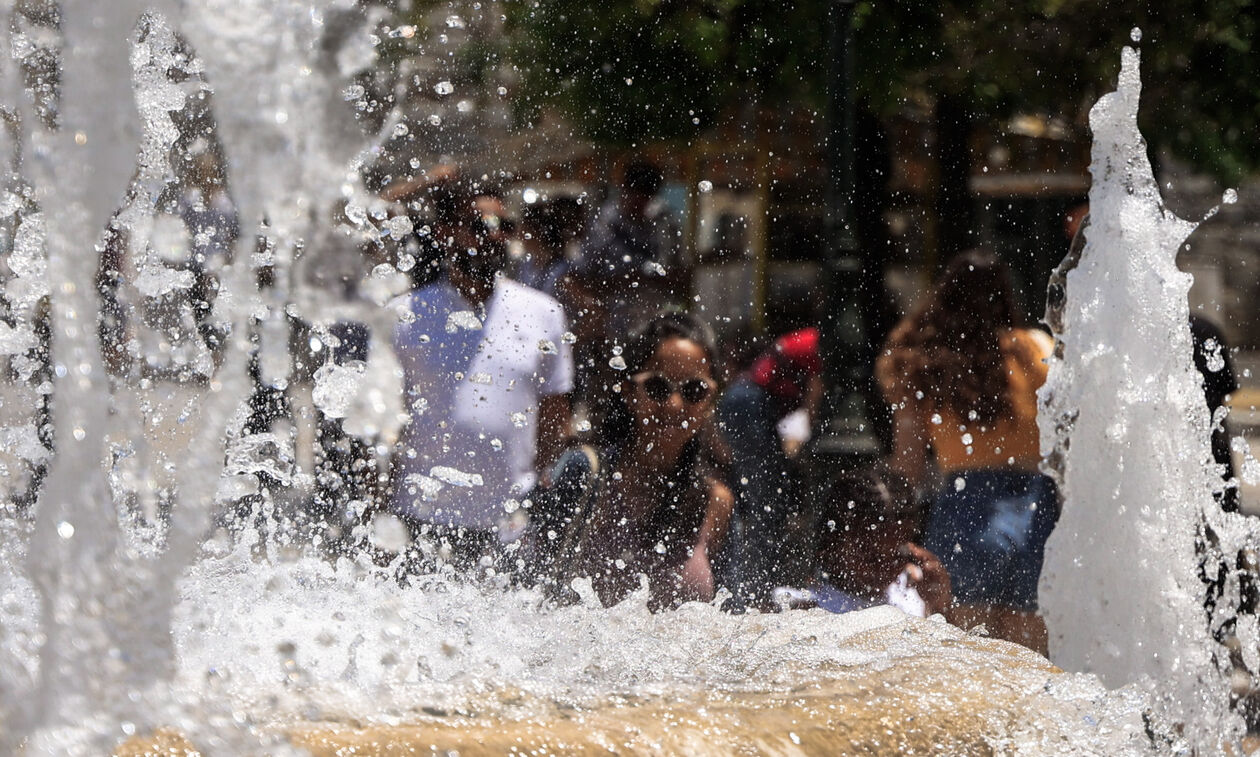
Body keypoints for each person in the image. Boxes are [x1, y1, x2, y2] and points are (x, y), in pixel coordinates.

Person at [388, 175, 573, 574]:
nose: (495, 237)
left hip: (508, 521)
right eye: (480, 226)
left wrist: (540, 482)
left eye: (505, 227)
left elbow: (556, 408)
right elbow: (382, 419)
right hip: (422, 517)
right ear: (445, 232)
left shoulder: (543, 313)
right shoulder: (403, 316)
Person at [876, 249, 1057, 654]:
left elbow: (907, 463)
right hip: (1035, 509)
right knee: (1029, 659)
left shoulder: (922, 362)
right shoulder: (1035, 350)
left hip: (963, 509)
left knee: (961, 654)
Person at [525, 312, 733, 610]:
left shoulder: (715, 503)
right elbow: (529, 591)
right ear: (628, 391)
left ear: (710, 400)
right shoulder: (584, 474)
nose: (675, 405)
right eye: (658, 388)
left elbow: (736, 623)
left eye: (694, 390)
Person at [717, 327, 824, 609]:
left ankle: (751, 586)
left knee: (758, 502)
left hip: (742, 399)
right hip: (750, 403)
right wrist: (808, 437)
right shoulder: (818, 343)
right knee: (765, 504)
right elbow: (815, 391)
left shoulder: (803, 340)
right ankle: (757, 593)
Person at [775, 466, 952, 618]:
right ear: (832, 545)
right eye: (872, 557)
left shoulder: (912, 602)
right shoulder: (802, 609)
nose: (885, 567)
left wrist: (938, 607)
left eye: (899, 555)